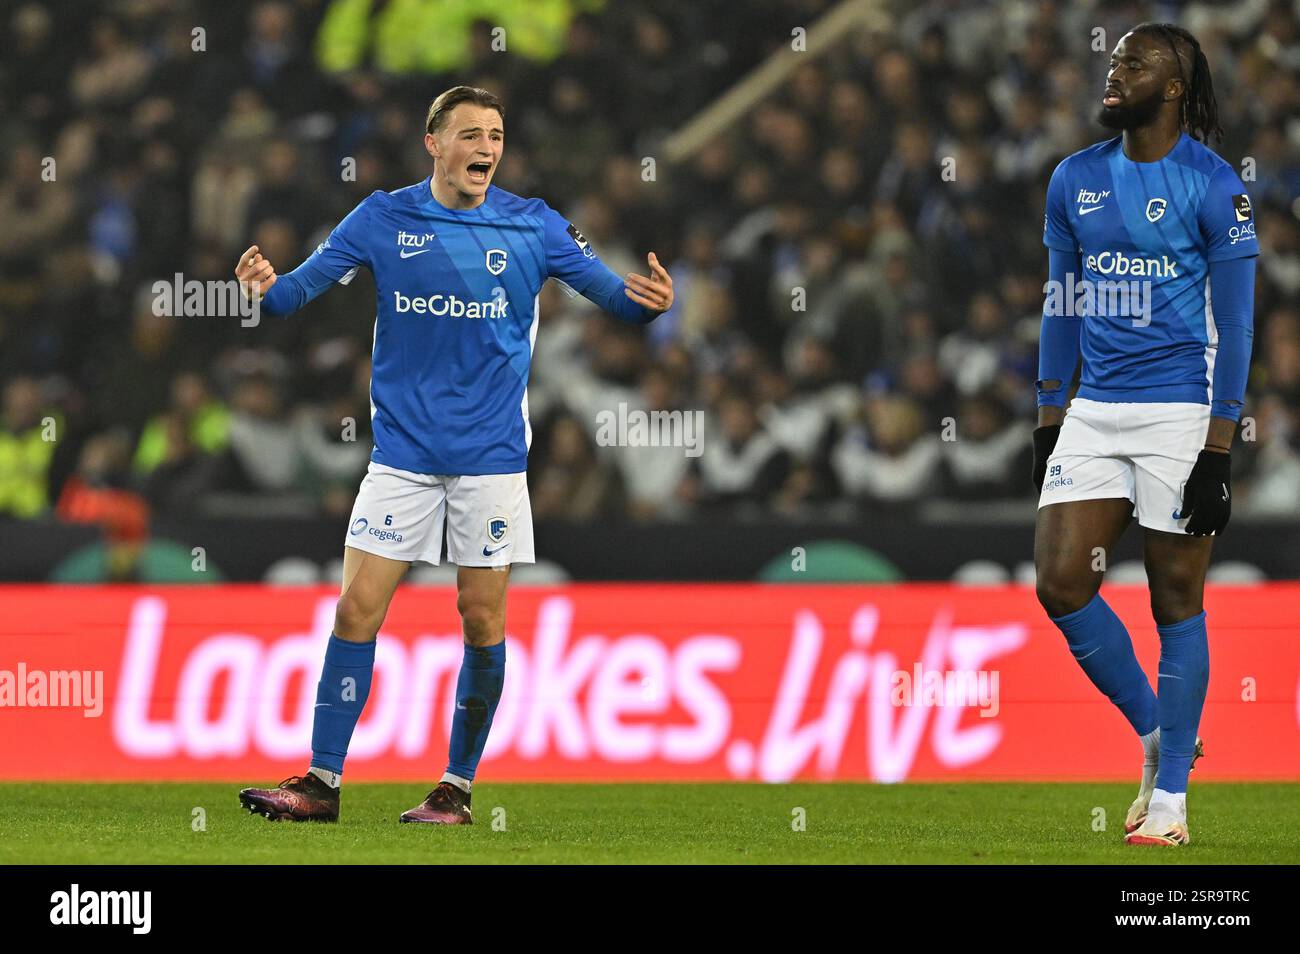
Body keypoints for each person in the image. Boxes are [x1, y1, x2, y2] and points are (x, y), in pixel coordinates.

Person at [235, 86, 673, 824]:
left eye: (496, 135)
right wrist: (262, 289)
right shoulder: (382, 216)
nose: (487, 148)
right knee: (356, 610)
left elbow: (617, 300)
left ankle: (455, 789)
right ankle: (319, 782)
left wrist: (652, 303)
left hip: (491, 460)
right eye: (471, 134)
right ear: (433, 142)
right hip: (402, 455)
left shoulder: (533, 226)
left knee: (479, 619)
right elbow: (292, 296)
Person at [1032, 24, 1257, 847]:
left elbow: (1235, 326)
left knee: (1175, 603)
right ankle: (1162, 733)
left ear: (1173, 85)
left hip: (1179, 410)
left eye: (1134, 61)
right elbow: (1060, 302)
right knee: (1059, 583)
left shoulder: (1214, 185)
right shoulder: (1074, 179)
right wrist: (1049, 416)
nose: (1113, 70)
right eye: (1113, 57)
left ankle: (1170, 806)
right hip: (1095, 411)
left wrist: (1219, 449)